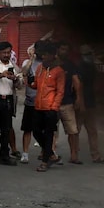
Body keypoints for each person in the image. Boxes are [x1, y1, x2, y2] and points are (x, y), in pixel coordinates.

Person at [31, 41, 66, 172]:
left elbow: (60, 91)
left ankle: (45, 162)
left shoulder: (59, 71)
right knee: (36, 131)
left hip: (50, 108)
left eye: (45, 54)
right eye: (42, 54)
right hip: (38, 106)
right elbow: (36, 85)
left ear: (52, 55)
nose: (43, 56)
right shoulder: (40, 68)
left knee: (48, 135)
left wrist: (54, 108)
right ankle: (51, 155)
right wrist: (30, 83)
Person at [56, 41, 84, 164]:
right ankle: (51, 154)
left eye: (66, 49)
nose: (64, 52)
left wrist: (78, 99)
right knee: (51, 130)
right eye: (62, 49)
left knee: (73, 131)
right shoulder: (52, 64)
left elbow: (76, 82)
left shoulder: (70, 65)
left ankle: (74, 155)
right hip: (53, 103)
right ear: (58, 50)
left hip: (67, 102)